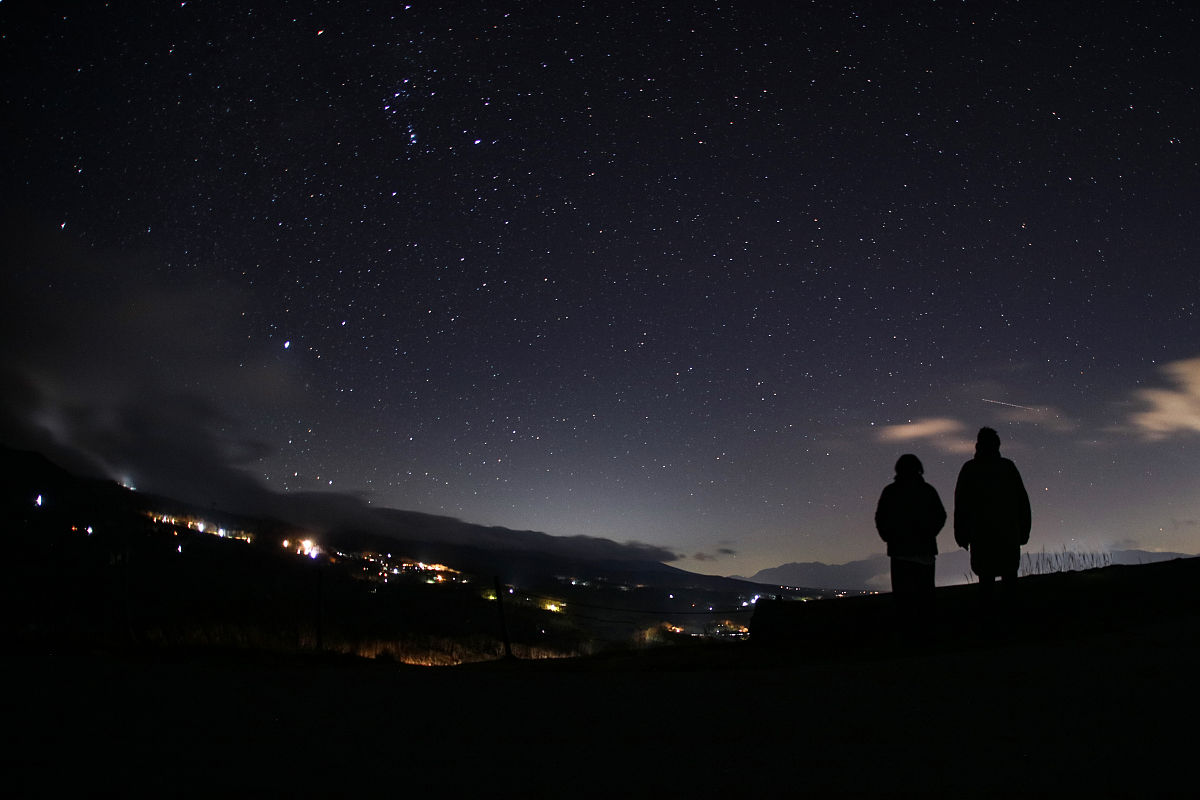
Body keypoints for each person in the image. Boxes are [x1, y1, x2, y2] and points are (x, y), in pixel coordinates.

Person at [954, 427, 1031, 593]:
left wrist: (962, 535)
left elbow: (961, 506)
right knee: (1009, 582)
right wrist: (1024, 531)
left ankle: (990, 616)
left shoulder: (970, 469)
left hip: (982, 537)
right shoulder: (1007, 467)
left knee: (986, 583)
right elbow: (1023, 503)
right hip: (1007, 536)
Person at [874, 453, 947, 614]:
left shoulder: (891, 491)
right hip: (925, 553)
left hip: (900, 553)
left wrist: (890, 538)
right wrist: (929, 534)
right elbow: (940, 516)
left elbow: (881, 518)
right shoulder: (927, 490)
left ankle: (906, 634)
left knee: (903, 602)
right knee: (925, 600)